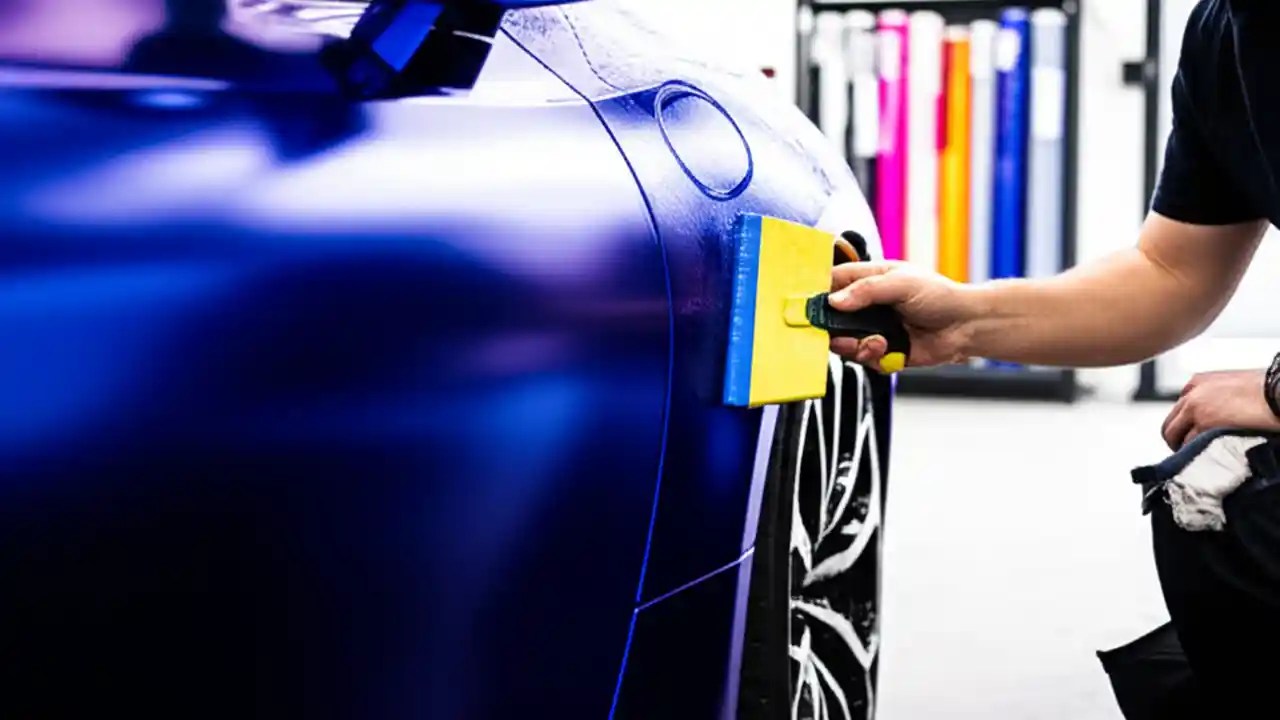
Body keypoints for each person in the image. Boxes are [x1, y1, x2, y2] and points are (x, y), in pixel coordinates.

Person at [828, 1, 1280, 716]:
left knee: (1236, 504)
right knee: (1213, 505)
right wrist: (967, 319)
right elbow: (1171, 273)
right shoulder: (1225, 36)